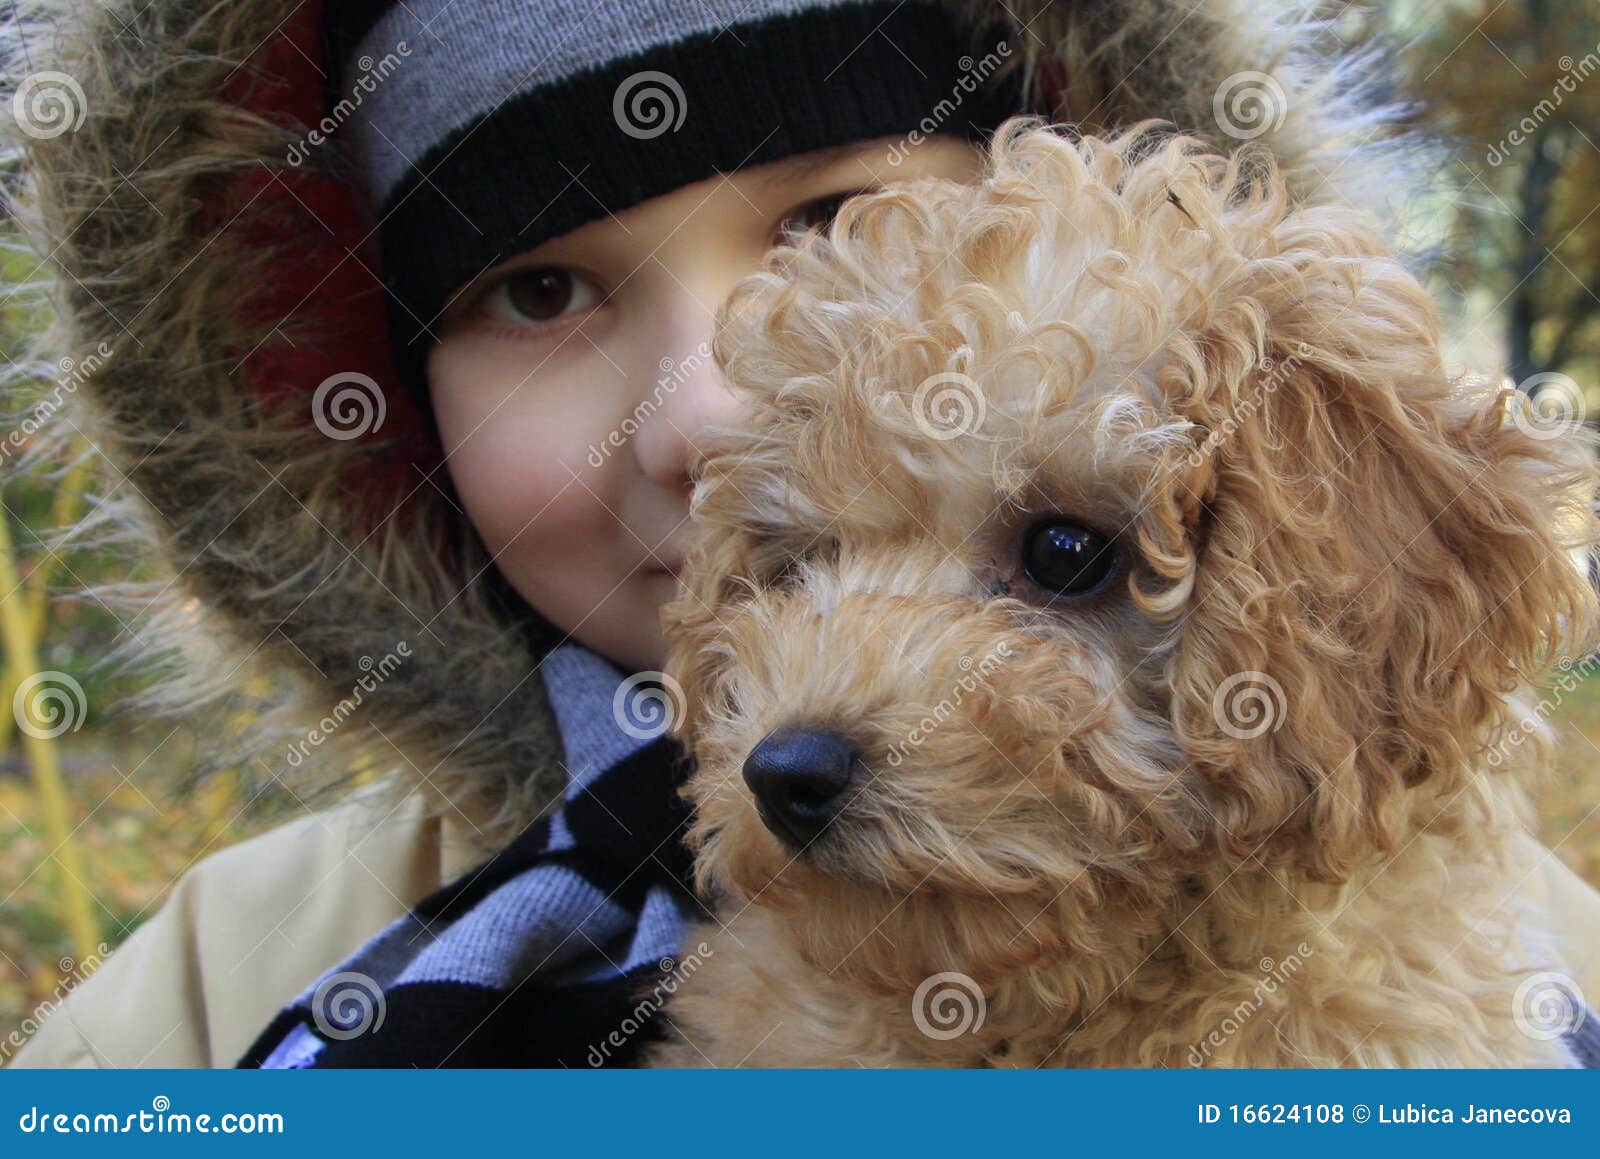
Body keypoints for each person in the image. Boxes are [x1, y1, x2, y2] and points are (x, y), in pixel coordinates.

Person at [6, 0, 1599, 1067]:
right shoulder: (204, 1001)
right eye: (540, 292)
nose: (707, 414)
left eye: (835, 222)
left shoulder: (1538, 988)